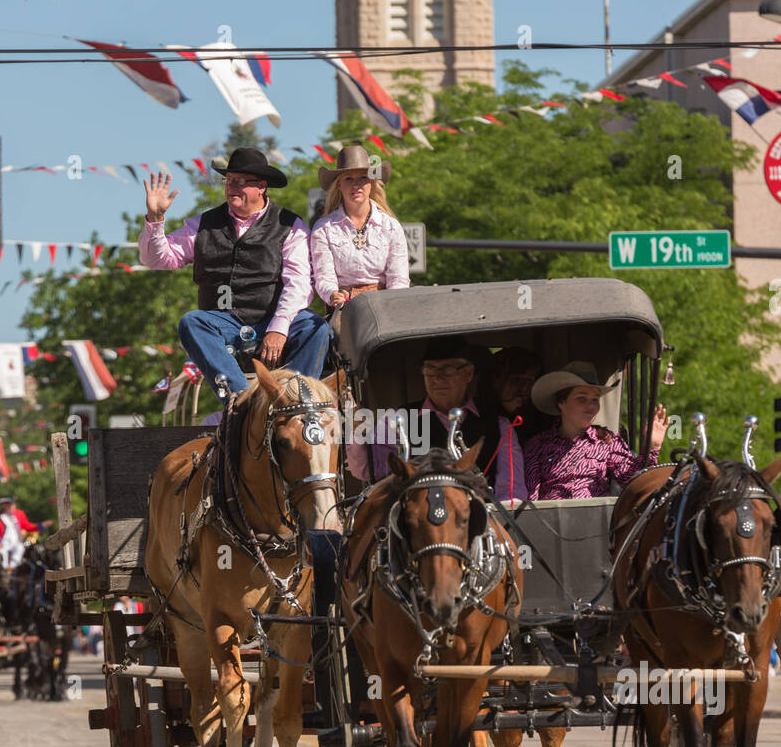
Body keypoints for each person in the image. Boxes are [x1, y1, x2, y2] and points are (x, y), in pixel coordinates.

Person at [139, 147, 330, 392]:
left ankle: (294, 401)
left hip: (272, 319)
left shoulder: (290, 225)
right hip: (224, 323)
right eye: (228, 181)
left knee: (316, 328)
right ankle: (240, 399)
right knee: (192, 322)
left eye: (240, 182)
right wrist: (155, 220)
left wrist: (278, 329)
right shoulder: (202, 225)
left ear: (261, 186)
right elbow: (156, 259)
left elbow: (299, 284)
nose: (231, 187)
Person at [347, 338, 527, 501]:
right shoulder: (398, 419)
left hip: (480, 526)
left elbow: (512, 493)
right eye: (430, 370)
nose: (437, 378)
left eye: (447, 370)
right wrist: (357, 430)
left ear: (469, 373)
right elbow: (365, 469)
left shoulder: (499, 426)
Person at [525, 361, 667, 500]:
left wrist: (652, 447)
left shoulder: (607, 440)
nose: (591, 407)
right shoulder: (537, 444)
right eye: (582, 399)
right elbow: (532, 499)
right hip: (550, 521)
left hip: (596, 521)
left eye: (595, 399)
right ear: (561, 402)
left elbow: (633, 481)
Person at [309, 145, 409, 322]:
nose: (356, 185)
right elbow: (323, 276)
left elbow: (398, 278)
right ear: (339, 185)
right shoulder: (323, 228)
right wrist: (332, 294)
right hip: (345, 308)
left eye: (363, 178)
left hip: (385, 305)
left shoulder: (391, 226)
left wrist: (393, 307)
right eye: (348, 179)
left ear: (372, 183)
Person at [485, 346, 547, 447]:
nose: (523, 388)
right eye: (516, 380)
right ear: (496, 380)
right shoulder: (482, 419)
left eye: (530, 381)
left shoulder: (539, 420)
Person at [0, 496, 46, 570]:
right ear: (4, 506)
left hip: (17, 542)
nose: (11, 507)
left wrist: (40, 526)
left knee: (20, 548)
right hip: (4, 542)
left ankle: (12, 568)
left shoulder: (19, 514)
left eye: (12, 505)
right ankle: (3, 569)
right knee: (2, 551)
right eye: (8, 505)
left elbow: (27, 526)